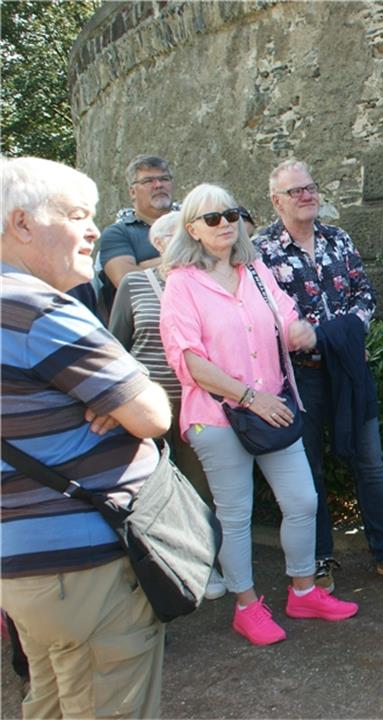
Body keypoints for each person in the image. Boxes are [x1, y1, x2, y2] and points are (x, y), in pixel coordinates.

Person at [0, 157, 173, 717]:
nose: (95, 231)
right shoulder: (38, 309)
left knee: (48, 702)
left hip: (24, 566)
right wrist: (115, 394)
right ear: (22, 223)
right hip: (83, 568)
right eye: (77, 215)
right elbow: (152, 413)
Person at [160, 183, 358, 646]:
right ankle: (247, 607)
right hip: (218, 414)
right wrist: (250, 398)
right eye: (212, 218)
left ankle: (303, 590)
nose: (225, 223)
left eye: (231, 214)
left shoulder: (254, 269)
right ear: (192, 229)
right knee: (236, 515)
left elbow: (285, 318)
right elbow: (190, 362)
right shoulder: (182, 283)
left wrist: (302, 331)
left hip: (271, 406)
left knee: (303, 500)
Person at [253, 160, 383, 592]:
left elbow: (365, 294)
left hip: (350, 371)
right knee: (310, 470)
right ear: (276, 201)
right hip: (301, 377)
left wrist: (328, 337)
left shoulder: (338, 238)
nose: (306, 195)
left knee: (370, 465)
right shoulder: (262, 251)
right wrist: (330, 337)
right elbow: (268, 316)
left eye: (310, 187)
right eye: (295, 191)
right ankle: (321, 558)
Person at [108, 211, 226, 600]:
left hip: (196, 402)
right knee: (149, 490)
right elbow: (116, 345)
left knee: (199, 487)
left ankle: (204, 565)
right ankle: (152, 567)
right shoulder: (135, 283)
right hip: (148, 408)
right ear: (158, 244)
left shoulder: (208, 283)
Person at [97, 154, 176, 315]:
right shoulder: (118, 233)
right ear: (132, 192)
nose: (158, 185)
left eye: (164, 179)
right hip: (145, 322)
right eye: (148, 181)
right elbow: (127, 280)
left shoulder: (194, 225)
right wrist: (189, 258)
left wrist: (143, 266)